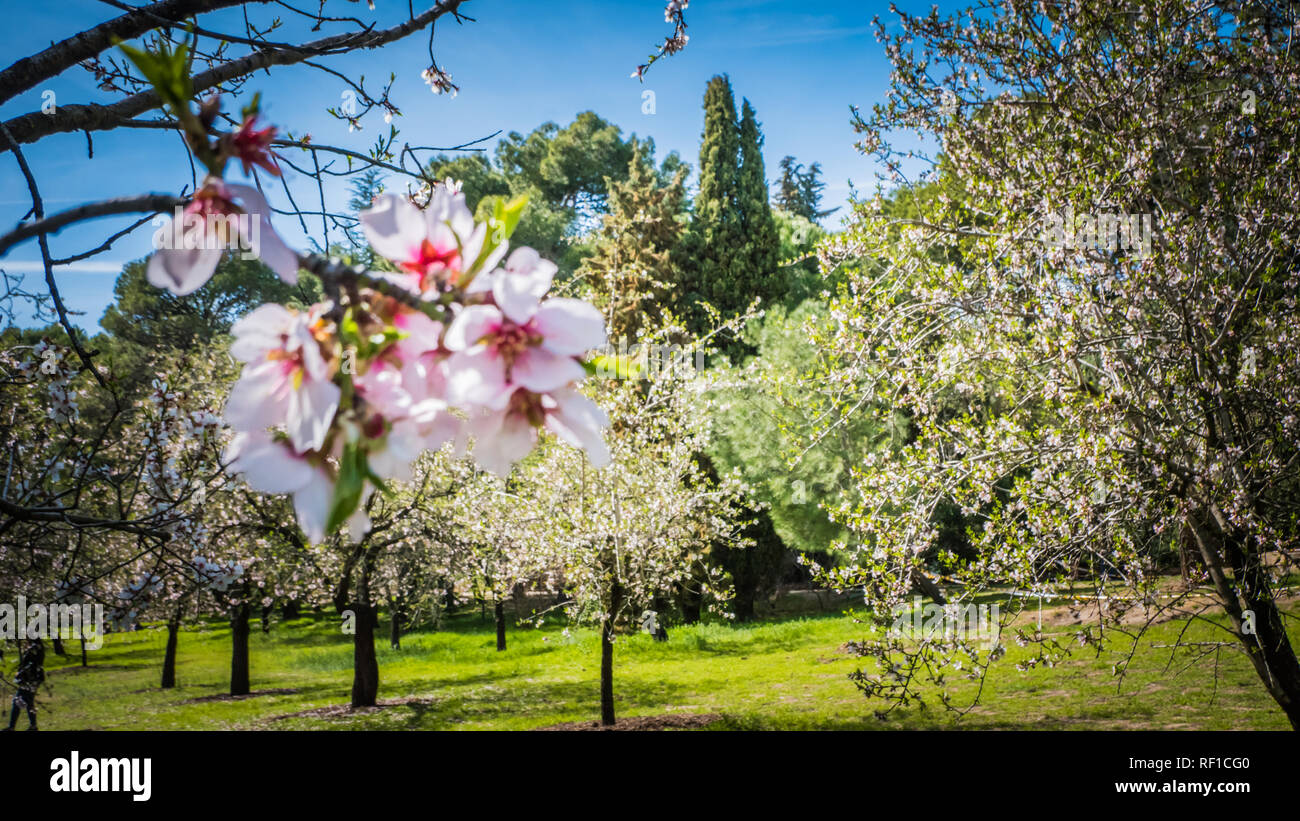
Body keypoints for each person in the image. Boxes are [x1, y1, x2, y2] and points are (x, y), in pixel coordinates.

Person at [4, 639, 44, 731]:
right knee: (29, 702)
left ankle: (12, 727)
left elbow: (31, 665)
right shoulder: (35, 649)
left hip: (30, 680)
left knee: (17, 701)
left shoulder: (33, 650)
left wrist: (22, 673)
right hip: (32, 679)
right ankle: (33, 726)